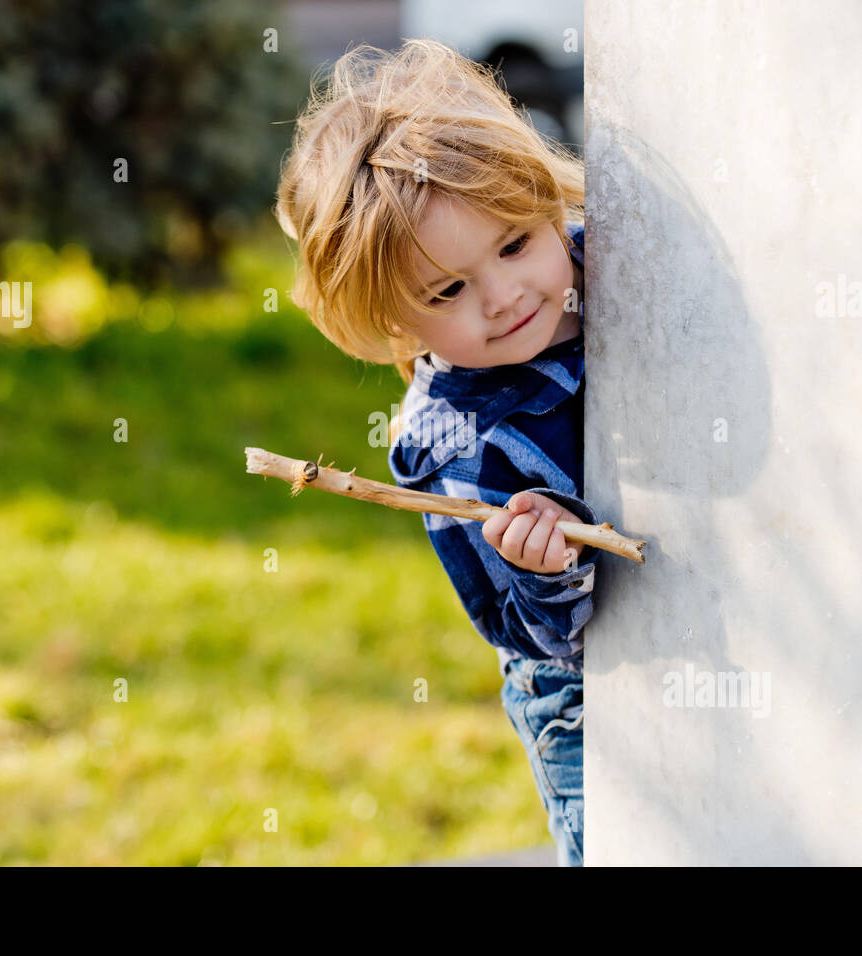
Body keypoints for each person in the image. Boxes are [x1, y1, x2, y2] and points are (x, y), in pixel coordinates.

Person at [274, 38, 597, 867]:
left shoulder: (603, 264)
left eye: (515, 245)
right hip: (582, 702)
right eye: (447, 291)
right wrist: (543, 567)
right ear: (394, 321)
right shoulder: (454, 446)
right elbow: (538, 635)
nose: (504, 296)